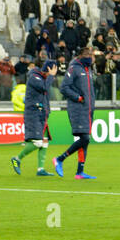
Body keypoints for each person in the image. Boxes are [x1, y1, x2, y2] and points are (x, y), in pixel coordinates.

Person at [53, 45, 97, 179]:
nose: (90, 58)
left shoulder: (87, 69)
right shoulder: (74, 68)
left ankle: (79, 172)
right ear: (81, 56)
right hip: (78, 109)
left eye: (91, 55)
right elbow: (64, 87)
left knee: (85, 140)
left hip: (88, 109)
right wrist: (78, 98)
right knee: (84, 138)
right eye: (88, 55)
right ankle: (60, 159)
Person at [12, 59, 57, 176]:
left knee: (45, 141)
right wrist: (51, 77)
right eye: (51, 72)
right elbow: (44, 88)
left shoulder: (43, 78)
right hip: (33, 113)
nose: (52, 75)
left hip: (43, 113)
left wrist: (47, 110)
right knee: (37, 142)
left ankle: (40, 169)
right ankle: (17, 158)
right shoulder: (34, 77)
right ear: (47, 69)